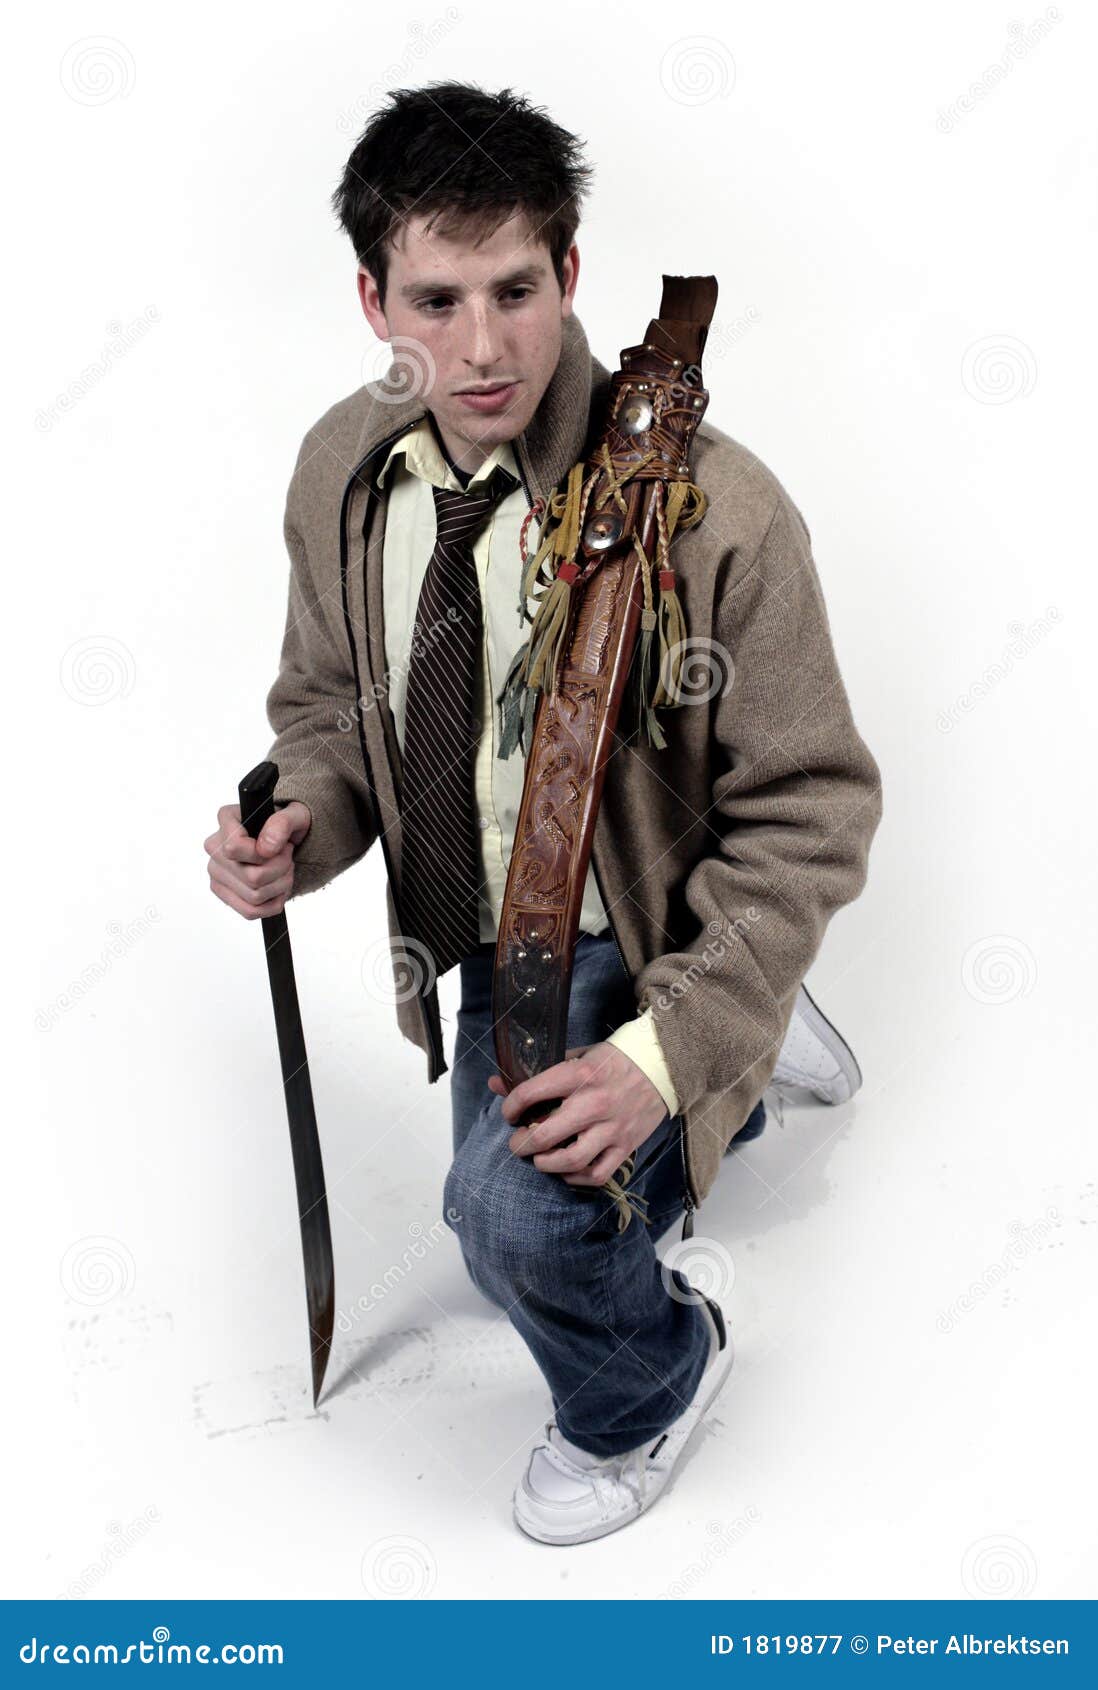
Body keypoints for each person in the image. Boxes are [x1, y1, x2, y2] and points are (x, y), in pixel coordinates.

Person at [204, 82, 883, 1544]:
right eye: (435, 300)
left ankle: (655, 1376)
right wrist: (299, 832)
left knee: (506, 1221)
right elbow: (326, 708)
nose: (481, 344)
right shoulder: (343, 470)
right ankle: (749, 1042)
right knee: (512, 1203)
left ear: (569, 272)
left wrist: (662, 1048)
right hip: (484, 929)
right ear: (371, 298)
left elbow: (811, 806)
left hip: (616, 923)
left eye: (515, 289)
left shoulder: (717, 506)